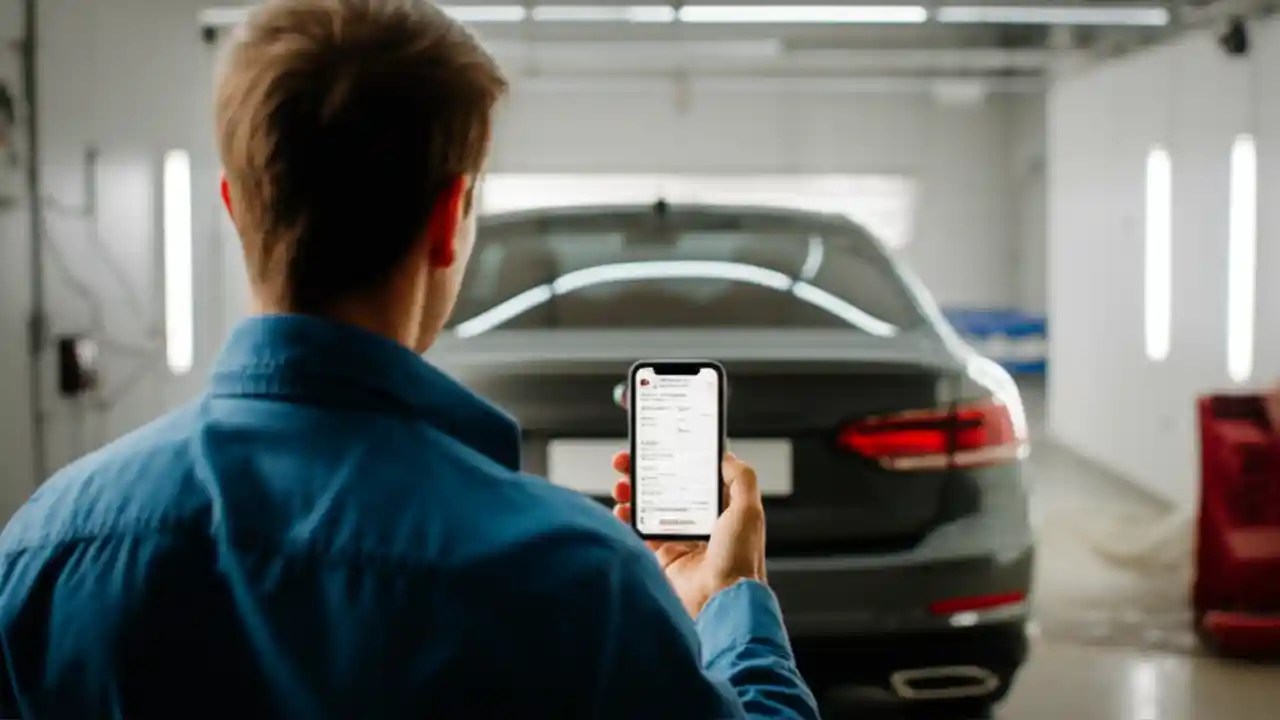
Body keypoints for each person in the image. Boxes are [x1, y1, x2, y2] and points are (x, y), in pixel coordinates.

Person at [0, 1, 819, 718]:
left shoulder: (45, 548)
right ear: (449, 217)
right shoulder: (573, 579)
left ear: (234, 205)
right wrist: (733, 599)